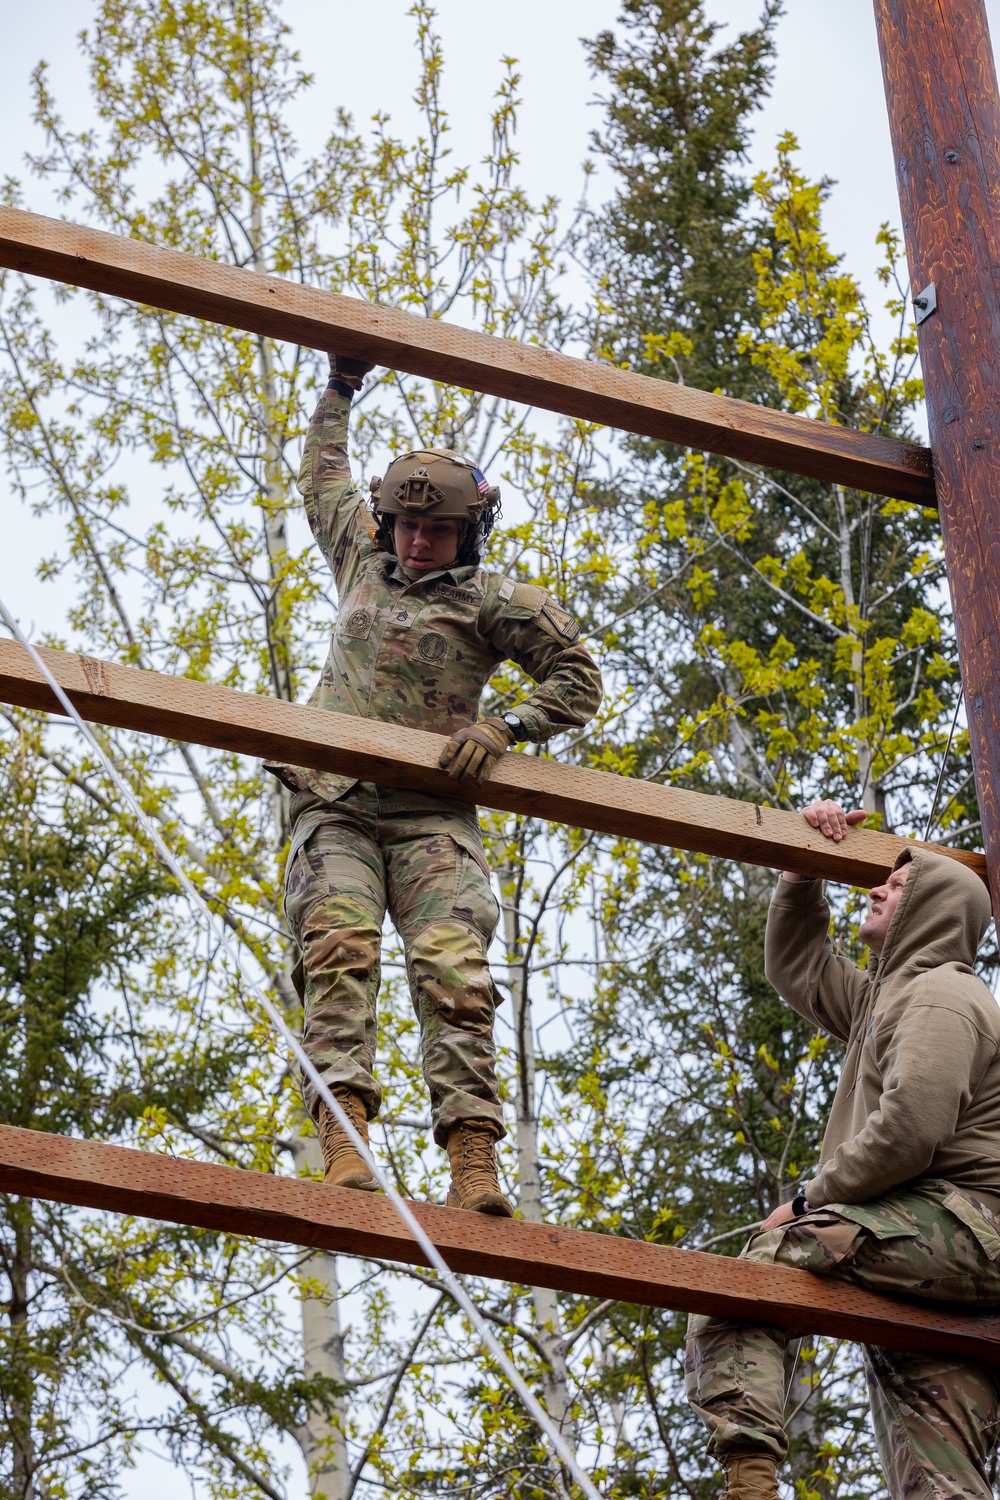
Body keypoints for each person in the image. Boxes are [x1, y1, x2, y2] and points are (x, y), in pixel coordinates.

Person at [267, 355, 602, 1216]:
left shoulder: (494, 602)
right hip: (334, 800)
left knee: (453, 969)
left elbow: (577, 678)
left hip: (431, 820)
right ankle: (345, 1135)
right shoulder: (359, 557)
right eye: (407, 528)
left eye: (438, 532)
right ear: (386, 524)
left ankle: (474, 1163)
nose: (418, 543)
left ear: (467, 535)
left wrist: (502, 727)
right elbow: (324, 474)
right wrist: (340, 388)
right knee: (339, 946)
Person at [686, 798, 1000, 1500]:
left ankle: (750, 1475)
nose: (876, 888)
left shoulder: (943, 996)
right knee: (932, 1464)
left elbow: (911, 1130)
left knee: (767, 1262)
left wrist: (806, 1201)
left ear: (935, 908)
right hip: (941, 1246)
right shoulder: (880, 1002)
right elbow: (796, 965)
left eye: (897, 883)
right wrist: (804, 872)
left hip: (973, 1226)